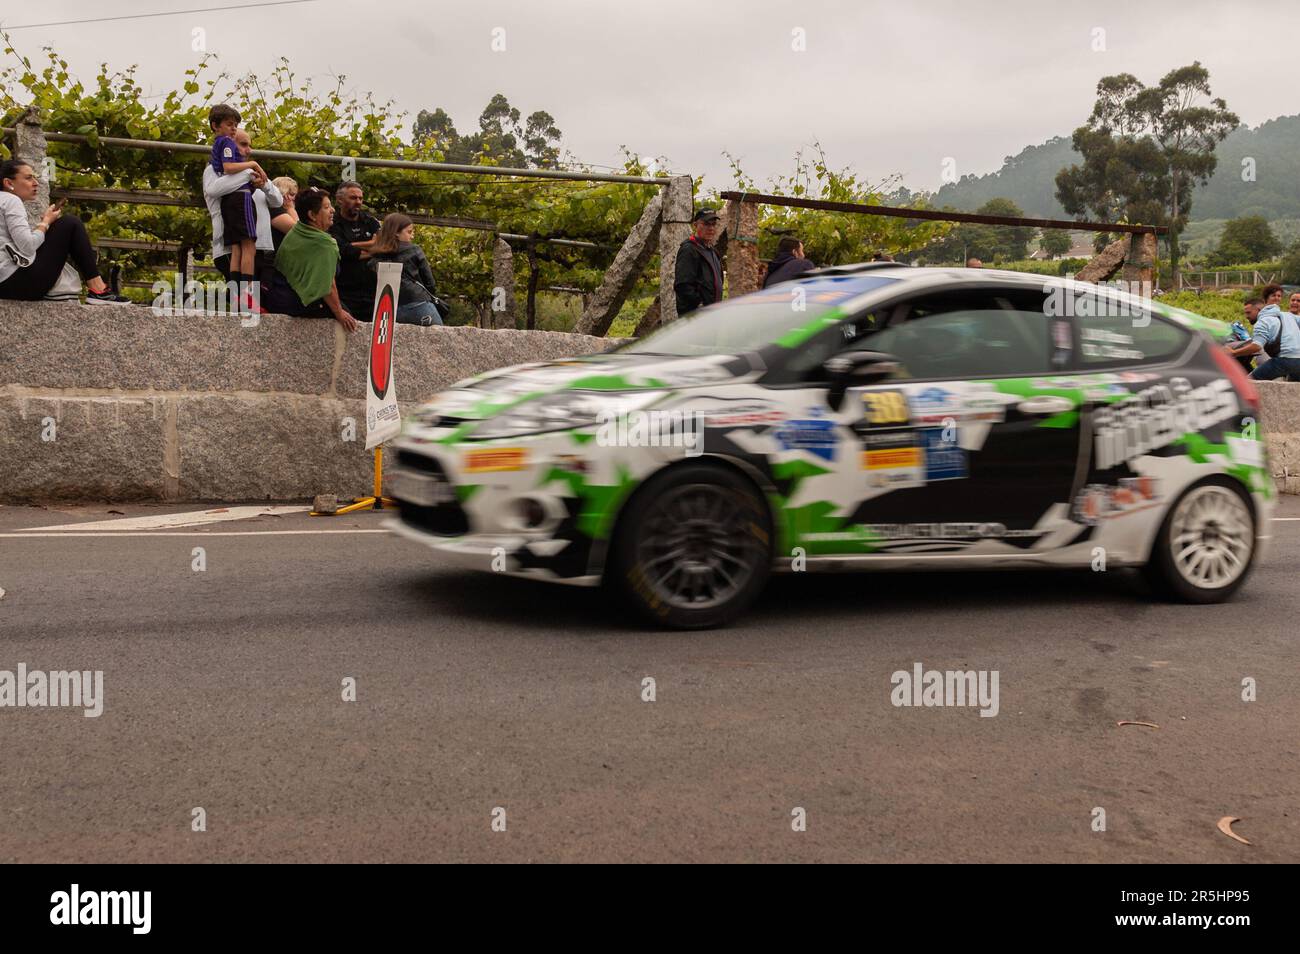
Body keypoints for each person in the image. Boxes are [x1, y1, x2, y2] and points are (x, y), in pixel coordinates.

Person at [0, 159, 130, 303]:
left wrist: (45, 226)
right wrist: (46, 222)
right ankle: (98, 290)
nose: (36, 183)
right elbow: (28, 246)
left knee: (61, 227)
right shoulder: (11, 201)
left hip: (5, 283)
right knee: (70, 223)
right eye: (28, 178)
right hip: (14, 284)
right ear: (9, 183)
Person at [261, 186, 358, 332]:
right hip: (294, 301)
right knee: (347, 317)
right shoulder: (324, 244)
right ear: (312, 215)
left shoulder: (297, 230)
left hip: (275, 296)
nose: (332, 210)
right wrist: (339, 313)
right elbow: (327, 286)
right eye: (326, 207)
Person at [208, 104, 266, 309]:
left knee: (236, 248)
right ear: (215, 126)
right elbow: (229, 168)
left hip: (230, 203)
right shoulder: (226, 143)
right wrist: (252, 165)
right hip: (240, 200)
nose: (233, 129)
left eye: (235, 125)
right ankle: (247, 292)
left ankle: (236, 294)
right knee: (248, 245)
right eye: (229, 124)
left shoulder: (218, 144)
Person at [366, 213, 444, 325]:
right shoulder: (414, 250)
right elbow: (430, 282)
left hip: (389, 310)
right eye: (409, 232)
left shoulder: (376, 256)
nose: (411, 236)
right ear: (396, 232)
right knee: (439, 338)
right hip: (419, 304)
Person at [329, 181, 381, 322]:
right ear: (340, 200)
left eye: (360, 198)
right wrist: (371, 247)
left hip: (372, 294)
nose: (358, 202)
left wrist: (350, 245)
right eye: (353, 198)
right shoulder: (333, 223)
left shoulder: (370, 221)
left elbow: (383, 245)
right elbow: (341, 250)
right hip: (345, 293)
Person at [1227, 284, 1300, 380]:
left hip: (1283, 360)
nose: (1246, 316)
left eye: (1249, 312)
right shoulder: (1288, 315)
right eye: (1274, 295)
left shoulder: (1263, 321)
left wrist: (1233, 353)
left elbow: (1256, 346)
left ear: (1260, 309)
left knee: (1249, 383)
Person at [673, 207, 723, 317]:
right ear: (695, 225)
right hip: (696, 317)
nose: (711, 228)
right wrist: (700, 305)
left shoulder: (713, 251)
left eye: (713, 224)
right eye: (706, 224)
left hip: (712, 315)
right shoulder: (689, 249)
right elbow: (682, 285)